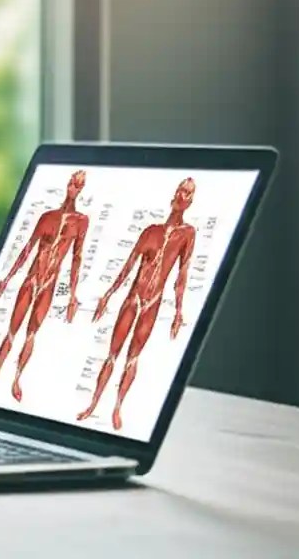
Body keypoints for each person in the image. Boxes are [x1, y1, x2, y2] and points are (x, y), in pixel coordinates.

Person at [76, 178, 197, 431]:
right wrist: (107, 295)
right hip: (133, 298)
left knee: (133, 358)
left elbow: (181, 274)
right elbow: (129, 265)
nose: (181, 195)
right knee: (112, 354)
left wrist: (178, 311)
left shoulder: (187, 234)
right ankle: (94, 404)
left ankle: (117, 407)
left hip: (153, 303)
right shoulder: (150, 231)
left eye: (187, 193)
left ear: (191, 200)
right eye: (180, 190)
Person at [0, 170, 88, 402]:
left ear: (81, 189)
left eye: (78, 185)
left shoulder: (81, 222)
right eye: (72, 182)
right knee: (12, 330)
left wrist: (72, 294)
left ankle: (16, 379)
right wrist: (7, 279)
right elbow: (28, 249)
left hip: (49, 283)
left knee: (31, 334)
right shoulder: (47, 217)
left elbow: (76, 258)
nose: (73, 187)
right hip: (31, 279)